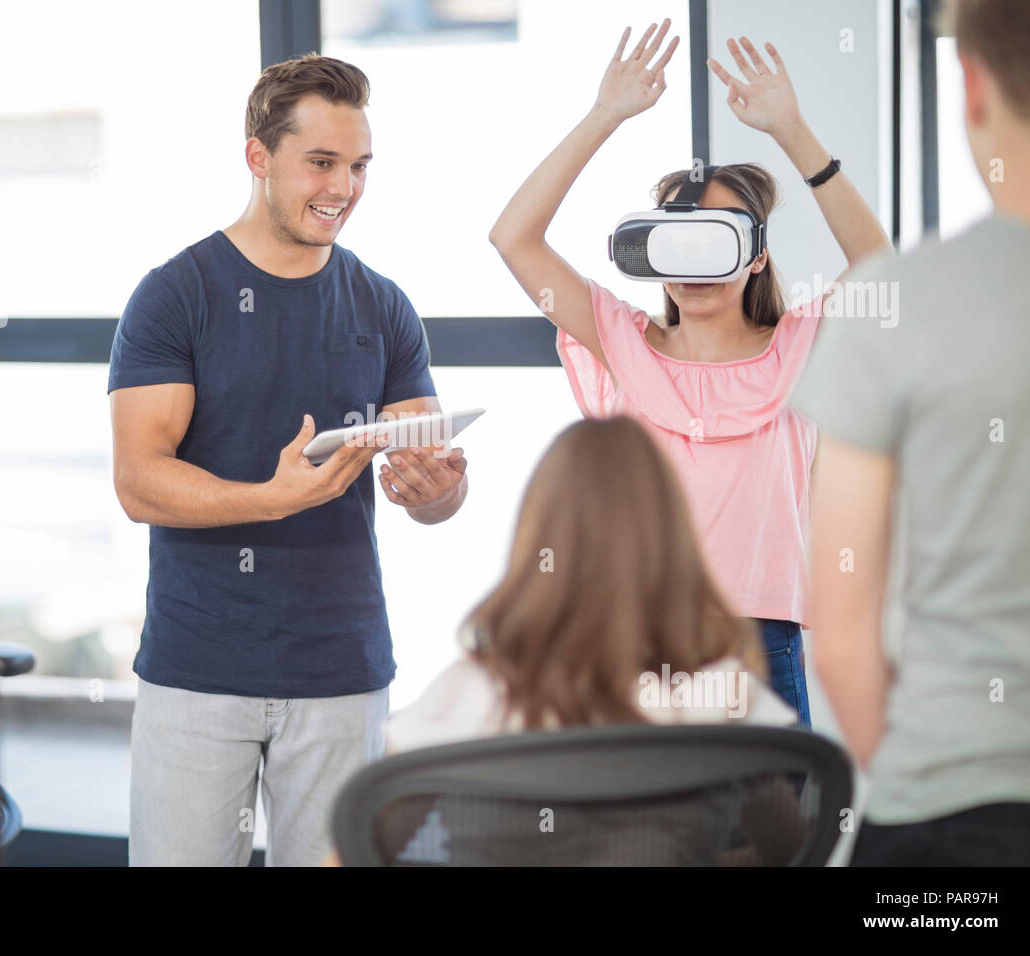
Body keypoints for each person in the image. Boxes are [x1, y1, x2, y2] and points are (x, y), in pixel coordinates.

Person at [109, 54, 470, 867]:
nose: (344, 187)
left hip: (343, 669)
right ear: (258, 157)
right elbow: (138, 481)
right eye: (322, 163)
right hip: (198, 672)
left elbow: (430, 477)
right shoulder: (175, 295)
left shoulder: (384, 303)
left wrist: (440, 489)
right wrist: (271, 499)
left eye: (359, 166)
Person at [488, 19, 892, 726]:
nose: (697, 264)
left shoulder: (799, 346)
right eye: (680, 240)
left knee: (765, 835)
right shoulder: (621, 340)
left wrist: (793, 131)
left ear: (758, 256)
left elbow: (882, 270)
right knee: (641, 834)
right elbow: (513, 237)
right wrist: (605, 115)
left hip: (759, 643)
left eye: (722, 241)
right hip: (630, 631)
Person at [793, 0, 1030, 866]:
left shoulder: (898, 309)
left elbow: (842, 631)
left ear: (971, 84)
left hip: (953, 809)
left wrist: (914, 783)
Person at [354, 417, 804, 866]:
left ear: (538, 533)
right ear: (673, 535)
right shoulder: (722, 692)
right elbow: (788, 848)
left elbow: (361, 848)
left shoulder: (468, 691)